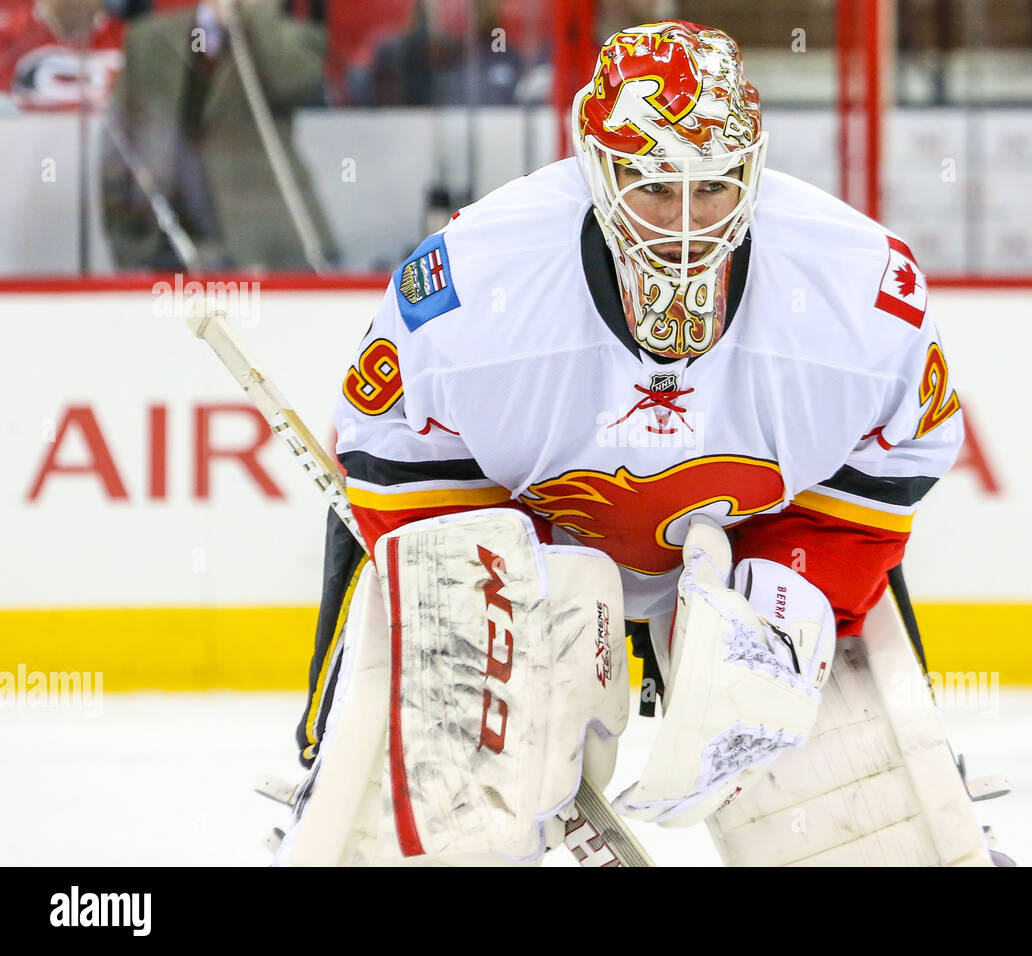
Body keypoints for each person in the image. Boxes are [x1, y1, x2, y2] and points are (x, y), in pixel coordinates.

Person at [288, 20, 973, 866]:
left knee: (867, 809)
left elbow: (890, 468)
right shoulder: (473, 282)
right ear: (596, 166)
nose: (685, 225)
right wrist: (520, 620)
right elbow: (396, 475)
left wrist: (798, 602)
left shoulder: (861, 288)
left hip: (759, 540)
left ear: (754, 169)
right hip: (533, 534)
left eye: (715, 186)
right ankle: (337, 779)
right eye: (654, 187)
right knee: (433, 797)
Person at [100, 0, 337, 270]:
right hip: (171, 249)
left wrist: (253, 16)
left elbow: (298, 83)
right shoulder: (150, 39)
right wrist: (132, 249)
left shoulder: (290, 34)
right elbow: (120, 152)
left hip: (271, 248)